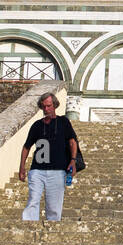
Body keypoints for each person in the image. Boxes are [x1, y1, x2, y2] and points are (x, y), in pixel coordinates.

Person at [18, 92, 77, 221]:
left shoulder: (63, 122)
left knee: (54, 207)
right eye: (44, 106)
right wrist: (22, 167)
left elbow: (72, 142)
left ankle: (52, 231)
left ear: (54, 105)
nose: (46, 109)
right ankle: (29, 226)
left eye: (49, 106)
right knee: (33, 199)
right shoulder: (37, 125)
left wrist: (73, 161)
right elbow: (26, 147)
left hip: (57, 170)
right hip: (37, 170)